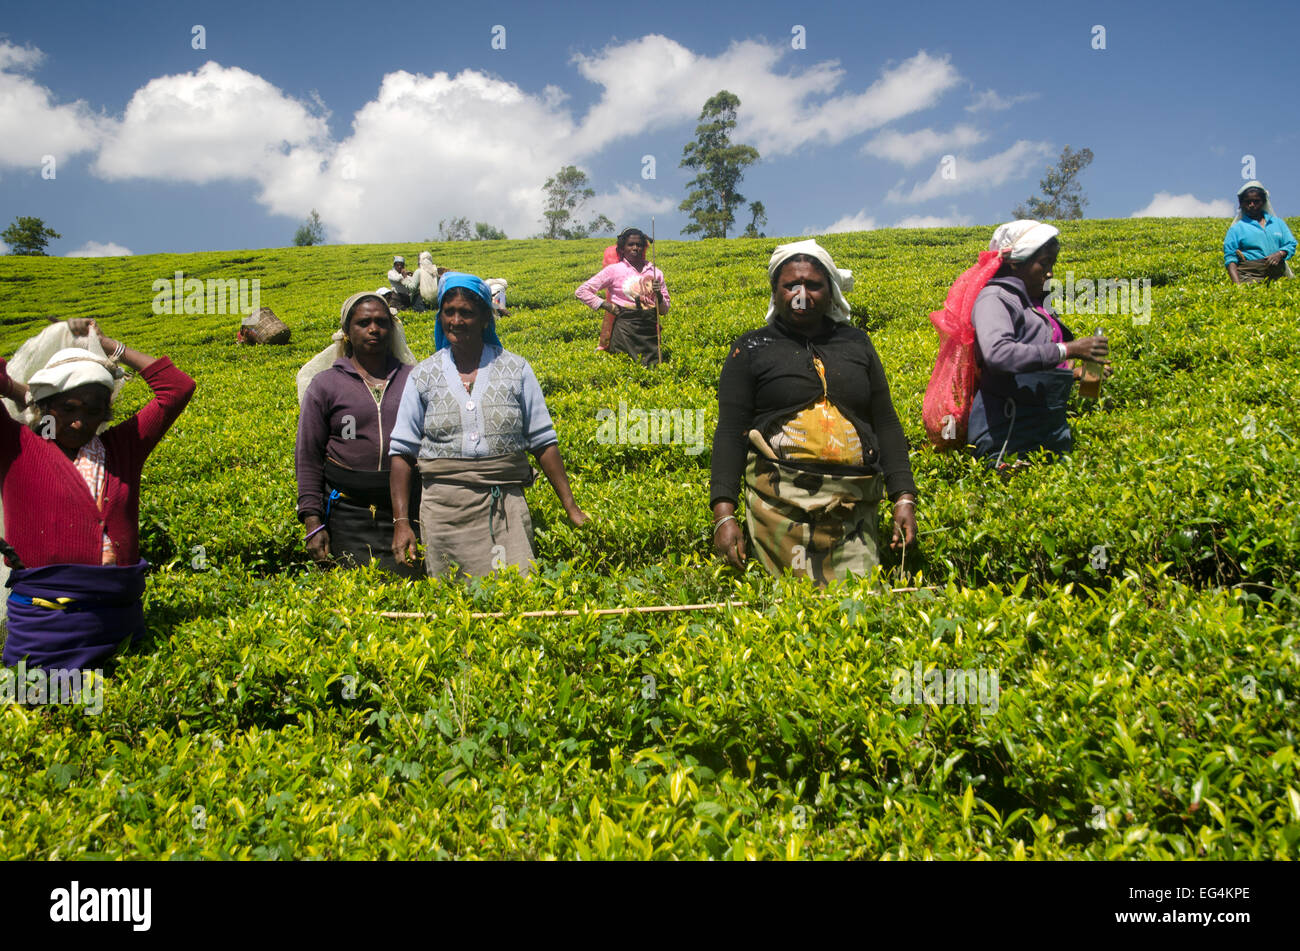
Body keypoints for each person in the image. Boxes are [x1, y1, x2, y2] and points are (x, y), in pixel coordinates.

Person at [709, 239, 917, 584]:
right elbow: (731, 432)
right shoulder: (751, 348)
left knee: (857, 607)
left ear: (831, 291)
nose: (802, 293)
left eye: (813, 285)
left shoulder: (856, 343)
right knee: (788, 612)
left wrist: (903, 497)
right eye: (791, 284)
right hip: (778, 508)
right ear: (775, 291)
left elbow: (886, 422)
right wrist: (723, 514)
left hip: (853, 508)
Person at [0, 320, 195, 669]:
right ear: (47, 407)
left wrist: (108, 346)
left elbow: (177, 389)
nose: (79, 422)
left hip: (119, 622)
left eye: (92, 412)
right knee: (39, 706)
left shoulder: (121, 448)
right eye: (68, 408)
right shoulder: (17, 447)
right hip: (45, 628)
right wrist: (20, 390)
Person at [389, 273, 588, 578]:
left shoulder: (515, 368)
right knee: (454, 601)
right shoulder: (423, 375)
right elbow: (402, 451)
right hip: (444, 510)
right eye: (449, 311)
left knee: (516, 589)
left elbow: (543, 441)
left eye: (466, 312)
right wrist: (401, 522)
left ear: (485, 317)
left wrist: (570, 506)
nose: (456, 320)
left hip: (505, 505)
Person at [295, 291, 423, 576]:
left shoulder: (413, 380)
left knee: (411, 592)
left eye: (381, 322)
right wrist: (312, 521)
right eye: (363, 323)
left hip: (406, 510)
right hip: (348, 514)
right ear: (347, 333)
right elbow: (308, 456)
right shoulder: (326, 384)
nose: (373, 329)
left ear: (391, 330)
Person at [966, 221, 1111, 469]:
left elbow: (1035, 361)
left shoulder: (1037, 305)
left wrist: (1074, 373)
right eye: (1043, 263)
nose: (1050, 272)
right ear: (1016, 262)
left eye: (1052, 263)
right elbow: (999, 354)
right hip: (1008, 436)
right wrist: (1070, 348)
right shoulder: (995, 298)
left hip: (1049, 432)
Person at [575, 227, 670, 365]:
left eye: (639, 244)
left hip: (650, 332)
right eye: (631, 244)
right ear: (622, 248)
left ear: (644, 247)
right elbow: (582, 291)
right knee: (625, 366)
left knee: (653, 369)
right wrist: (607, 306)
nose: (635, 248)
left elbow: (664, 310)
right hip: (625, 329)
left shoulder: (656, 272)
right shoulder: (614, 270)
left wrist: (659, 295)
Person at [1224, 181, 1295, 284]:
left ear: (1263, 202)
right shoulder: (1237, 229)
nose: (1252, 205)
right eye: (1247, 202)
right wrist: (1237, 286)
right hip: (1250, 276)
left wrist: (1280, 254)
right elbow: (1230, 259)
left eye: (1256, 201)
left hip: (1278, 276)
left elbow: (1290, 243)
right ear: (1241, 204)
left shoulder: (1277, 223)